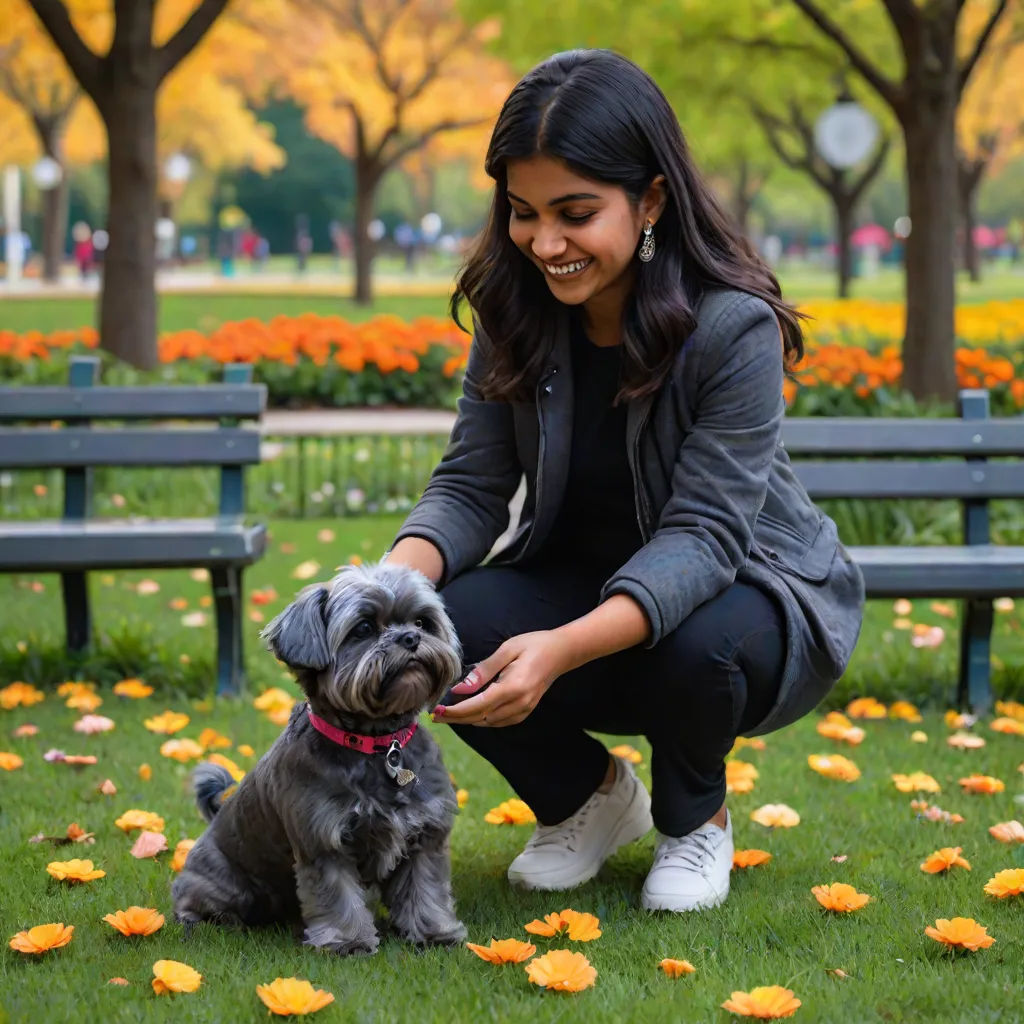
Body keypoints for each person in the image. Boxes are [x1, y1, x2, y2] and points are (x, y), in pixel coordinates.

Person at [384, 49, 865, 913]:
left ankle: (696, 821)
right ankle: (586, 800)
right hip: (581, 576)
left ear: (649, 199)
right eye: (523, 213)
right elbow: (470, 482)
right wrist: (385, 596)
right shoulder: (514, 308)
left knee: (697, 639)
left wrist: (561, 648)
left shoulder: (732, 329)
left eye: (575, 214)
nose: (545, 243)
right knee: (441, 623)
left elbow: (705, 539)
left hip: (748, 594)